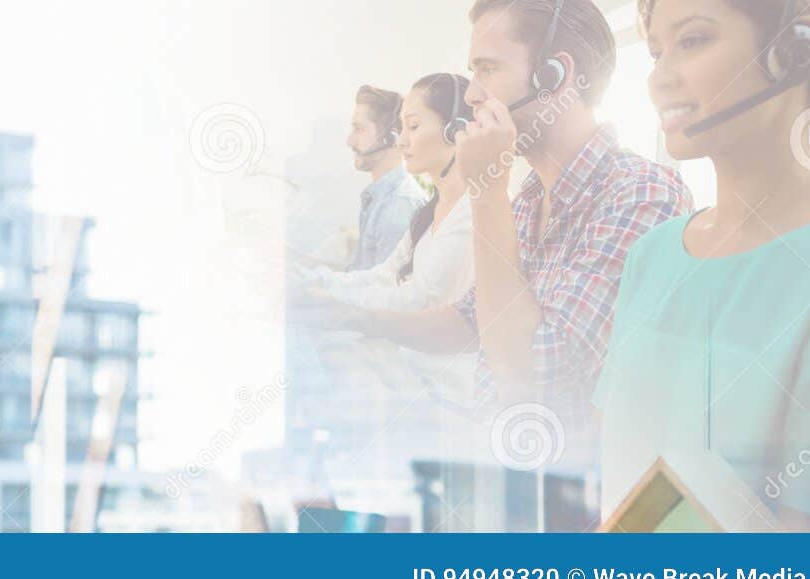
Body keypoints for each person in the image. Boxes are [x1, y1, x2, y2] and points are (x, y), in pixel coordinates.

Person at [326, 0, 693, 472]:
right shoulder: (525, 199)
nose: (473, 96)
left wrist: (484, 192)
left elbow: (533, 379)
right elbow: (469, 320)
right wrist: (348, 316)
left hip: (563, 505)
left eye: (488, 70)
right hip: (492, 471)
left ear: (554, 76)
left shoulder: (640, 195)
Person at [596, 0, 810, 531]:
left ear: (796, 51)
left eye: (694, 40)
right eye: (656, 51)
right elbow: (617, 479)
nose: (658, 79)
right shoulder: (650, 256)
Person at [294, 73, 480, 409]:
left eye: (413, 127)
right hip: (406, 376)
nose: (401, 141)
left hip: (443, 397)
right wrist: (314, 283)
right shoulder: (430, 211)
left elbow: (418, 299)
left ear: (455, 129)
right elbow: (383, 275)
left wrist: (334, 305)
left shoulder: (473, 213)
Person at [341, 85, 426, 272]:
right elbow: (359, 275)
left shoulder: (397, 207)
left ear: (392, 139)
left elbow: (381, 295)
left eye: (359, 129)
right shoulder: (381, 198)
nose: (350, 141)